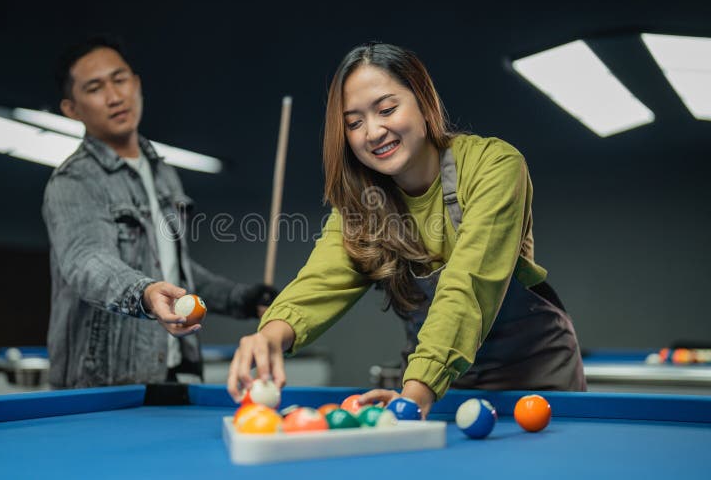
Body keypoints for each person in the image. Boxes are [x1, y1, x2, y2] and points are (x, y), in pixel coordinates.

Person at [227, 42, 586, 417]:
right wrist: (269, 335)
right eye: (354, 123)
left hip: (535, 381)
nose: (373, 131)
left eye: (387, 109)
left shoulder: (493, 166)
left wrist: (414, 394)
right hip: (439, 390)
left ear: (423, 100)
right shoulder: (361, 205)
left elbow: (468, 286)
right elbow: (319, 282)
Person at [43, 36, 276, 388]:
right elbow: (87, 260)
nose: (114, 96)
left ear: (136, 84)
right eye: (94, 88)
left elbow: (175, 270)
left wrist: (241, 299)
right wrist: (145, 293)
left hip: (174, 373)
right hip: (103, 386)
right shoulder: (74, 181)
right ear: (71, 109)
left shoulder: (163, 175)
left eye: (120, 80)